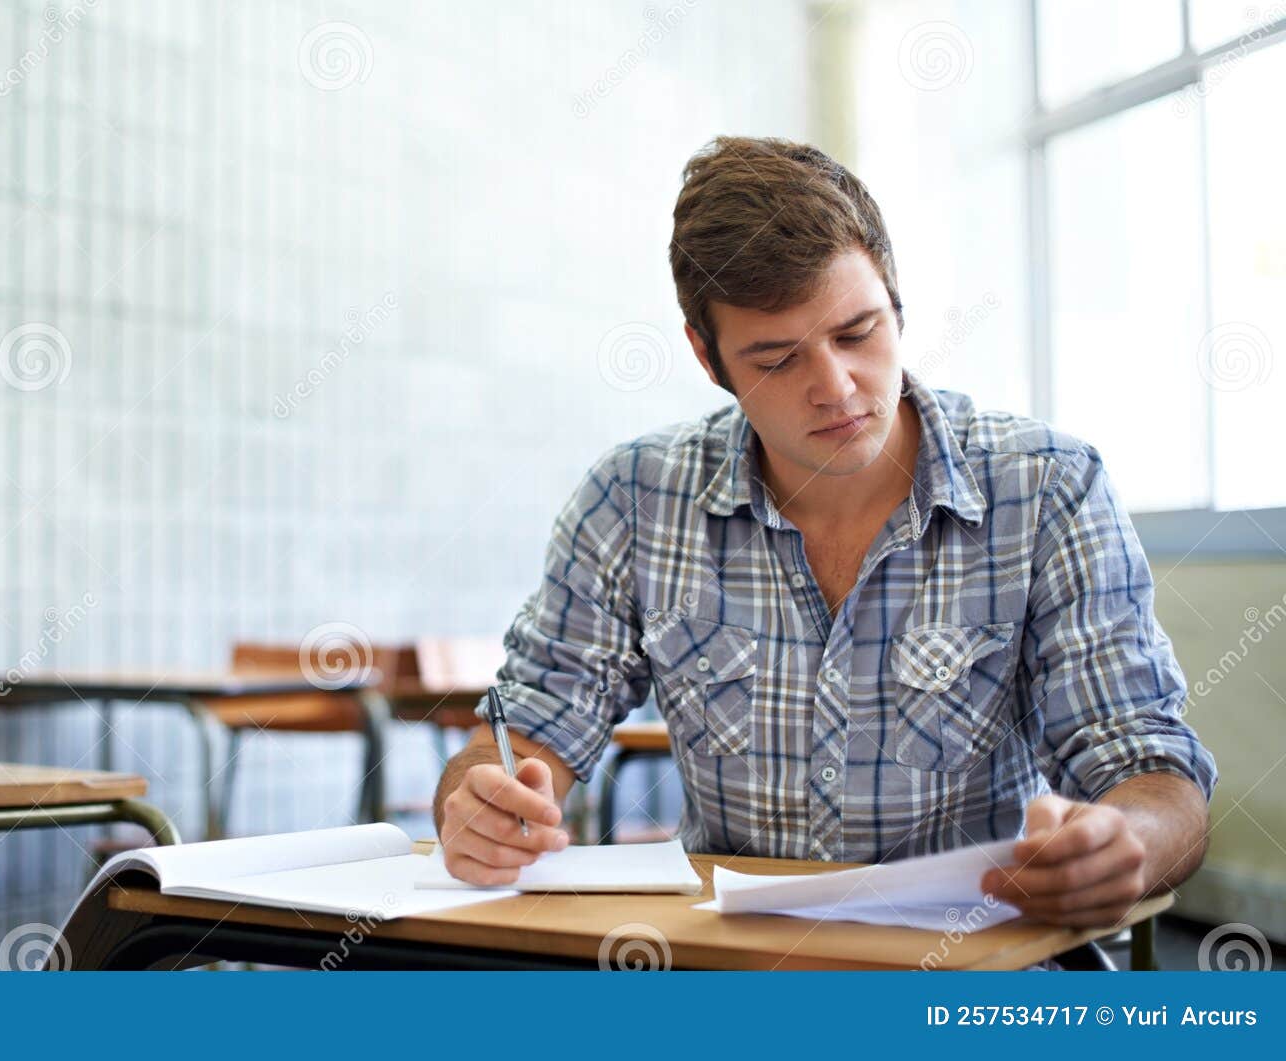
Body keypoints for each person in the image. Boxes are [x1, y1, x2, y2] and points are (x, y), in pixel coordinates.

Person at [432, 136, 1216, 928]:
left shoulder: (1048, 486)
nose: (836, 388)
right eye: (776, 360)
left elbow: (1151, 770)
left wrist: (1126, 840)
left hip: (969, 969)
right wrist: (485, 806)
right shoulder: (633, 499)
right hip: (730, 975)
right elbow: (529, 733)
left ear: (895, 300)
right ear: (709, 358)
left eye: (856, 332)